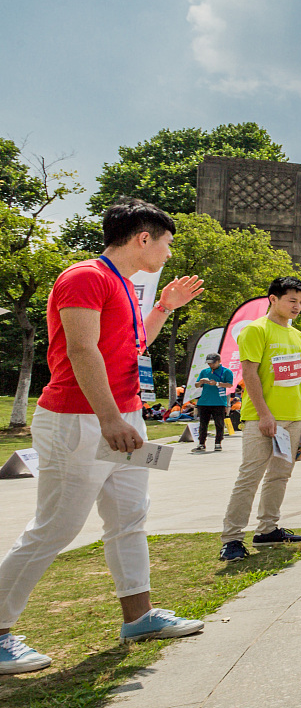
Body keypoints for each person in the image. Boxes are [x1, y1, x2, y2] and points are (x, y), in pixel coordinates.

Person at [0, 198, 206, 674]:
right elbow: (80, 348)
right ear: (143, 239)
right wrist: (110, 417)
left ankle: (139, 616)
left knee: (131, 517)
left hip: (123, 418)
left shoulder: (122, 286)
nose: (170, 255)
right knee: (55, 526)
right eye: (168, 244)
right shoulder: (85, 277)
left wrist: (162, 309)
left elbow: (131, 348)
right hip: (82, 419)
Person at [220, 276, 301, 562]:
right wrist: (264, 414)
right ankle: (232, 539)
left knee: (280, 476)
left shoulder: (298, 335)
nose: (297, 306)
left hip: (294, 419)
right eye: (292, 301)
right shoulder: (255, 330)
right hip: (262, 419)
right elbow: (249, 374)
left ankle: (268, 529)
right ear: (273, 299)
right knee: (249, 476)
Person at [192, 352, 234, 453]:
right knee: (203, 424)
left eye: (213, 363)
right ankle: (201, 443)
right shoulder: (204, 371)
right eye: (209, 363)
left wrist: (217, 383)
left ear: (219, 361)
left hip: (219, 402)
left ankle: (218, 443)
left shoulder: (226, 372)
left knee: (219, 424)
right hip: (204, 402)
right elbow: (197, 385)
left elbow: (229, 385)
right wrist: (201, 382)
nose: (210, 365)